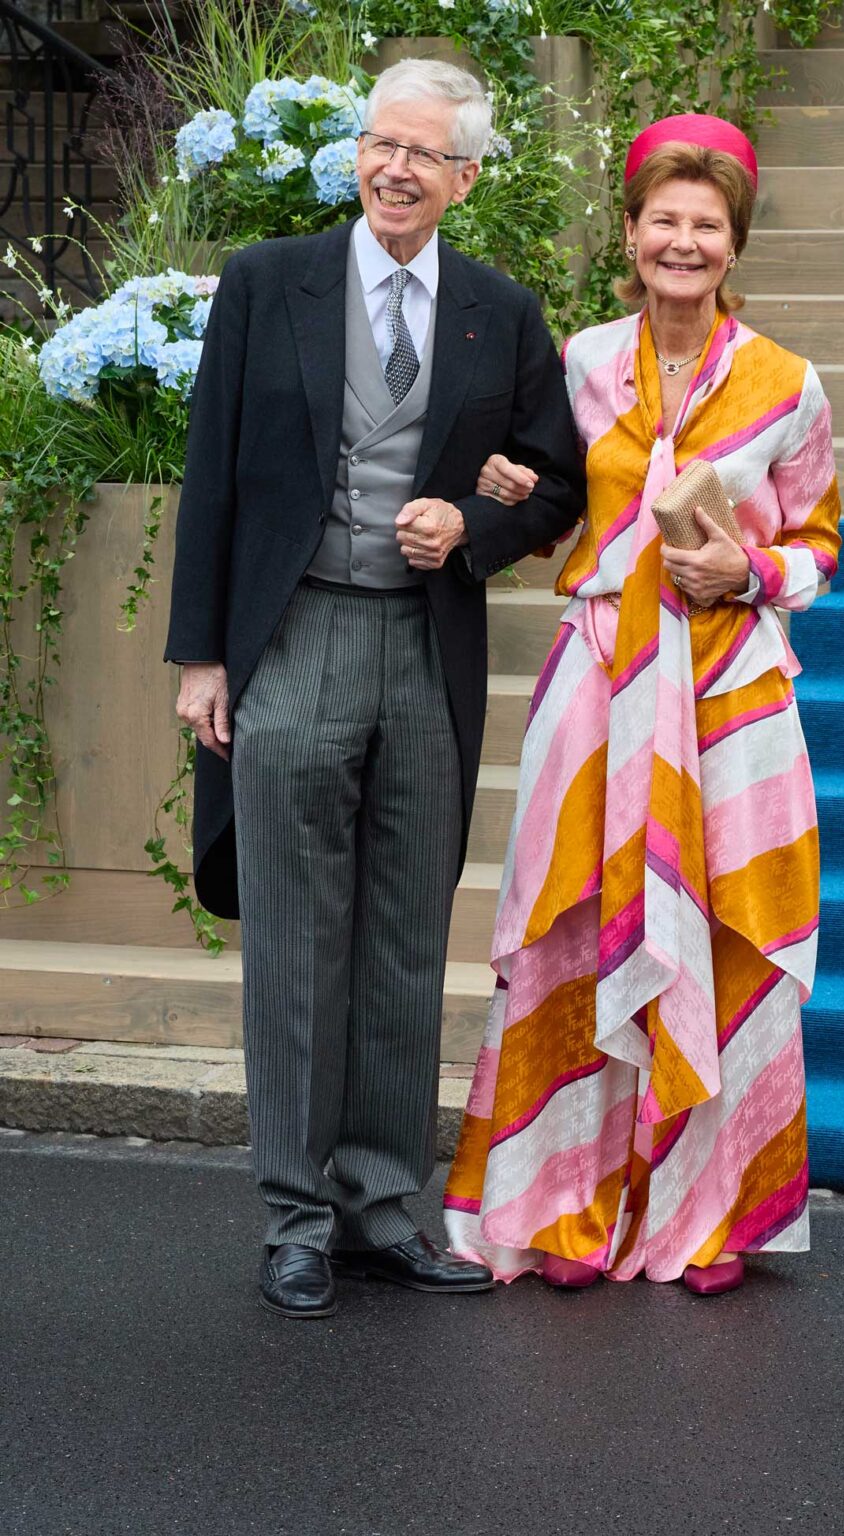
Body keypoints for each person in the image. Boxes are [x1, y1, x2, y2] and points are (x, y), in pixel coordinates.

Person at [164, 58, 585, 1319]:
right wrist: (201, 657)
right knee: (296, 942)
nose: (393, 170)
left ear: (466, 177)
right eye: (378, 145)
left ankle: (383, 1208)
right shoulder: (265, 282)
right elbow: (210, 471)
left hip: (423, 649)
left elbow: (555, 484)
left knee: (404, 936)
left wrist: (470, 524)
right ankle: (295, 1219)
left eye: (421, 155)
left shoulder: (500, 311)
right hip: (292, 633)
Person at [443, 114, 842, 1295]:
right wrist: (517, 495)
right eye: (662, 219)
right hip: (600, 680)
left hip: (730, 693)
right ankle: (563, 1206)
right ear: (629, 233)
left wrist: (748, 571)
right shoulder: (577, 364)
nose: (682, 241)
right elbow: (557, 510)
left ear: (733, 244)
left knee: (722, 932)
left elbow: (818, 544)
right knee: (575, 923)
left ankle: (708, 1218)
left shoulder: (788, 384)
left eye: (704, 224)